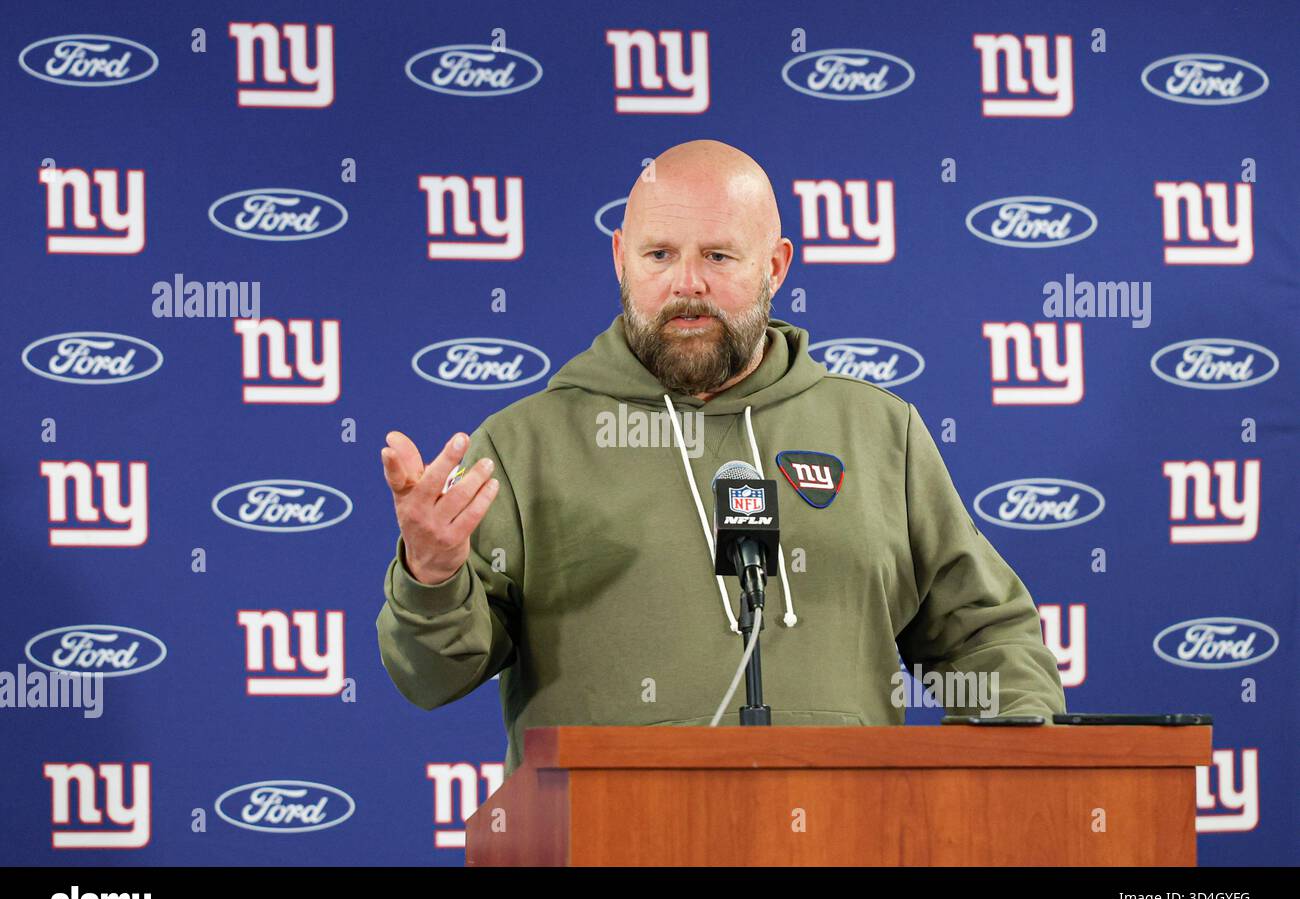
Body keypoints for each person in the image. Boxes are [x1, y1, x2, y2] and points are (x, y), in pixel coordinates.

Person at [377, 139, 1066, 778]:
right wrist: (431, 576)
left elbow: (985, 637)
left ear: (776, 266)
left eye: (718, 256)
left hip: (848, 832)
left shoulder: (880, 433)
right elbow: (432, 677)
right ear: (620, 258)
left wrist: (1017, 767)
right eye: (659, 255)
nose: (688, 283)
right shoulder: (522, 447)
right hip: (609, 836)